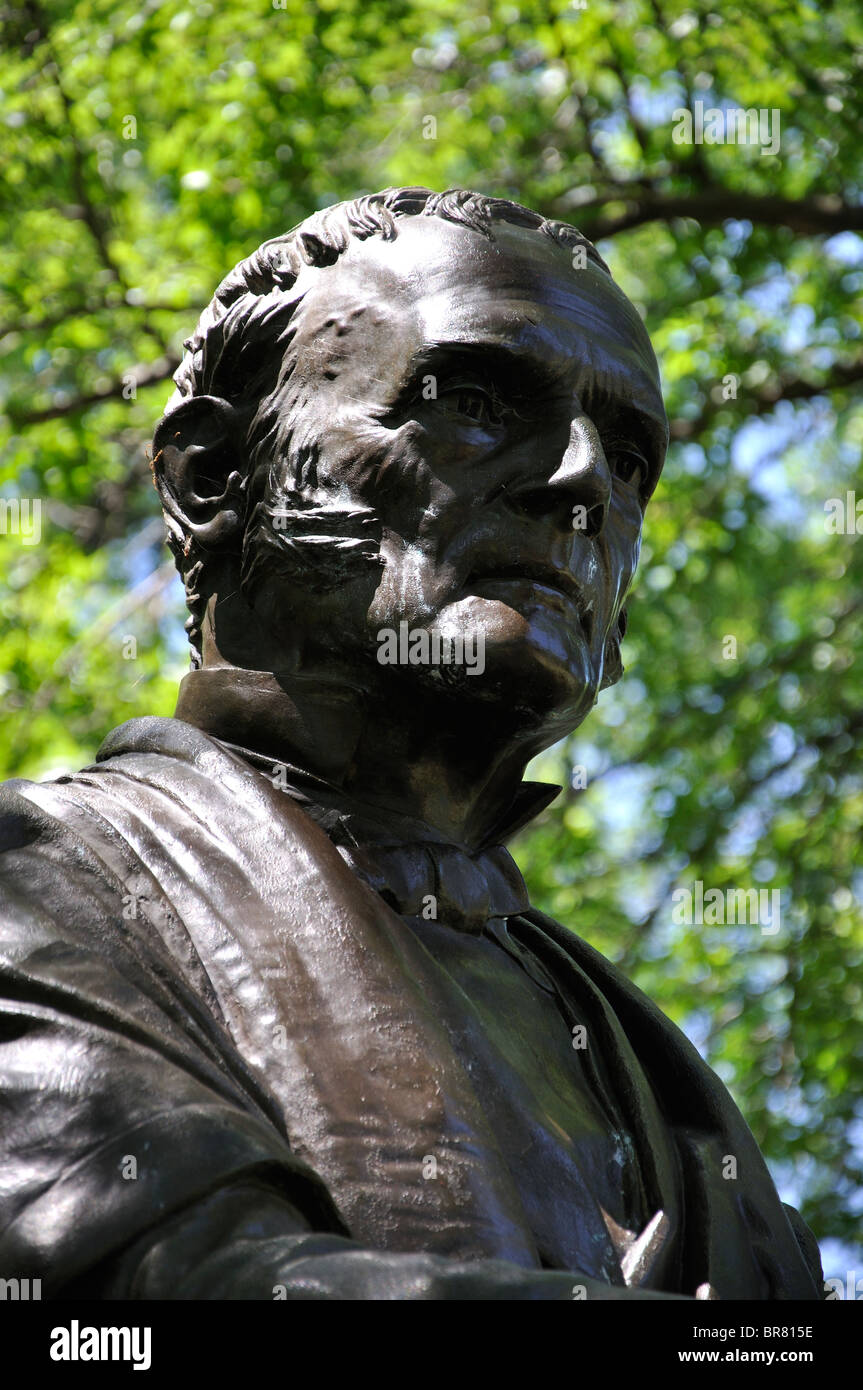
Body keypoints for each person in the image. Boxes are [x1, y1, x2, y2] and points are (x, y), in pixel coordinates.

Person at [0, 187, 822, 1299]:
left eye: (628, 461)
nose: (582, 479)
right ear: (211, 480)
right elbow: (162, 1288)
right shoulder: (44, 880)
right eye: (475, 398)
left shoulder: (647, 1059)